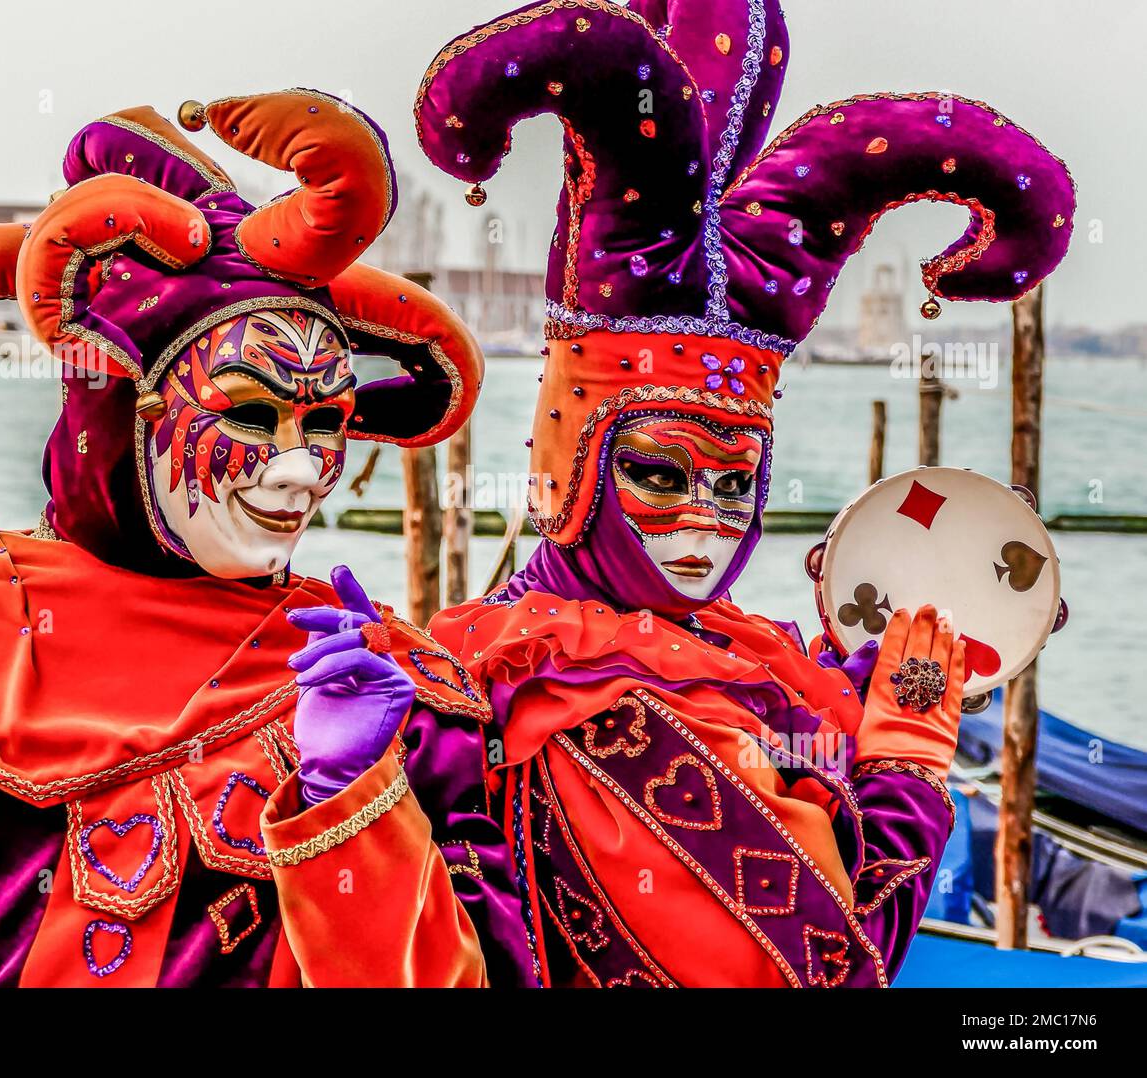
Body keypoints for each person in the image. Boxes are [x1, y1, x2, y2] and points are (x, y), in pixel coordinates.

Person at [418, 0, 1077, 986]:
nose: (703, 526)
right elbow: (817, 963)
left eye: (736, 484)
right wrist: (904, 761)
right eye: (655, 472)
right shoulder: (570, 697)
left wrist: (870, 686)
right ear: (571, 463)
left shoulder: (710, 648)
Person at [0, 91, 535, 987]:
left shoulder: (388, 692)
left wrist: (357, 803)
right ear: (116, 407)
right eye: (252, 414)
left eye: (324, 424)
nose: (301, 472)